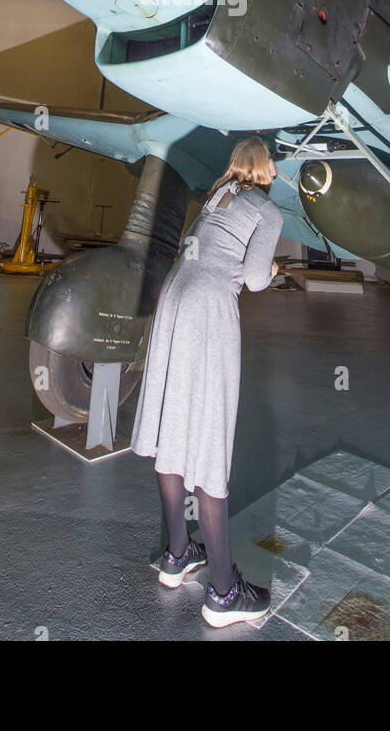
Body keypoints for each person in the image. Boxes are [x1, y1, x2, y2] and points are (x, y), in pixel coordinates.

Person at [130, 136, 283, 627]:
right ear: (265, 165)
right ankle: (222, 591)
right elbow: (256, 280)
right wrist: (274, 268)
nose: (278, 171)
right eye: (276, 163)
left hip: (176, 297)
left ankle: (177, 556)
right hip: (209, 307)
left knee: (174, 428)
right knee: (210, 437)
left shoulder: (218, 196)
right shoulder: (267, 208)